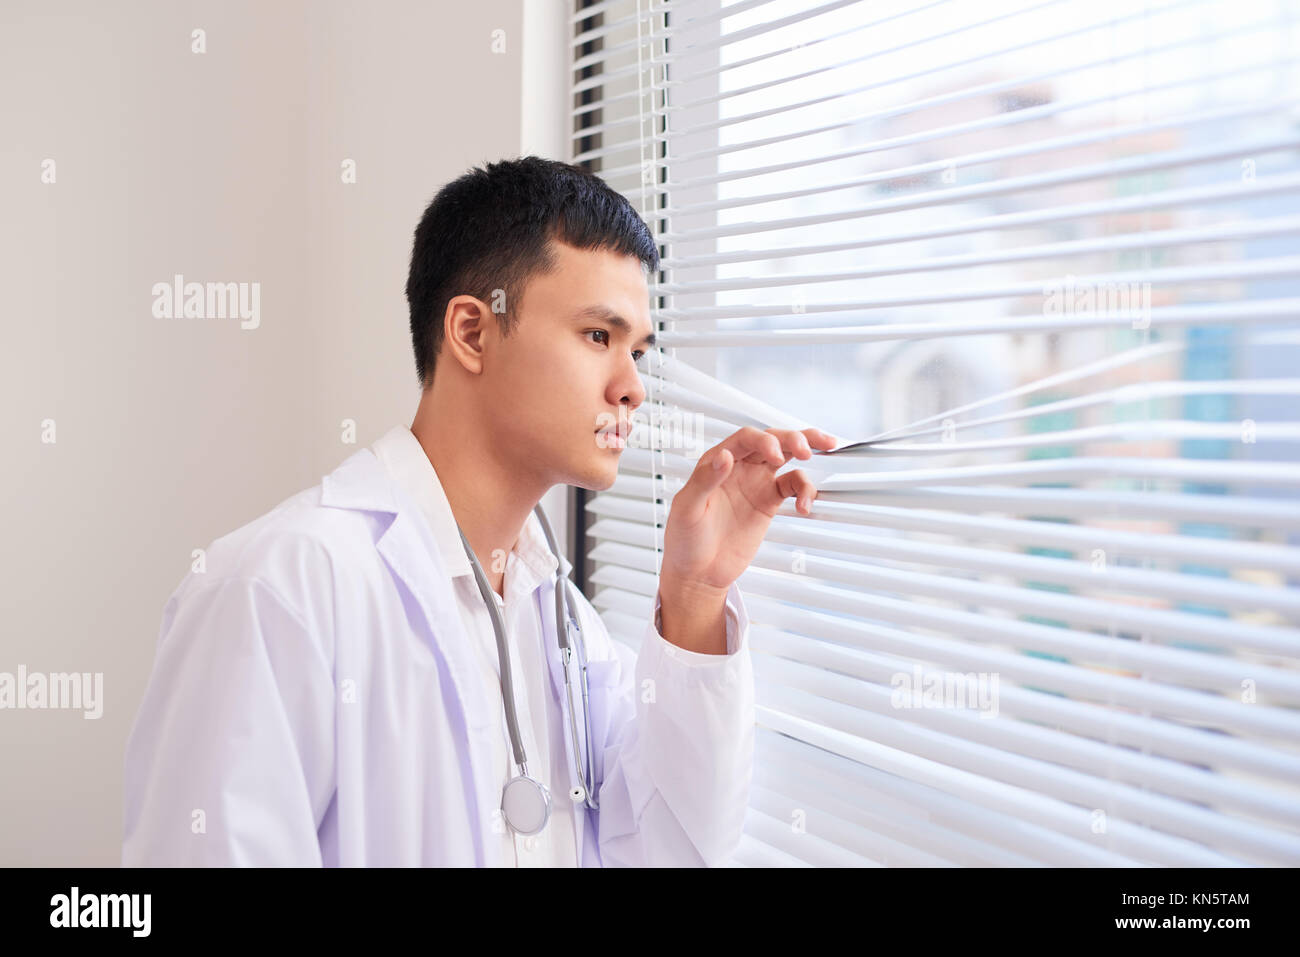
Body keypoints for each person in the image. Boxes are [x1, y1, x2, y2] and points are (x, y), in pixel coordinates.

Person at [120, 156, 836, 867]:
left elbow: (670, 850)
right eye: (598, 336)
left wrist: (696, 596)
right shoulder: (279, 589)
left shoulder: (564, 623)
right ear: (472, 331)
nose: (631, 388)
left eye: (638, 351)